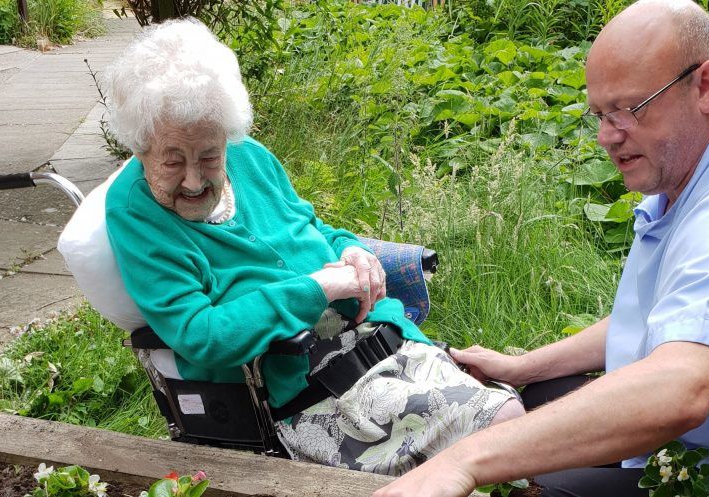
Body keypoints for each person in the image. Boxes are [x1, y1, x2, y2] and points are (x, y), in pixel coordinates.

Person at [373, 0, 709, 496]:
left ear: (706, 85)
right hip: (693, 447)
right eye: (600, 114)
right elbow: (675, 316)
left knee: (532, 482)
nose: (607, 137)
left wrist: (463, 462)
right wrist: (527, 365)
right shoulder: (696, 164)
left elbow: (682, 387)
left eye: (627, 110)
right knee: (538, 396)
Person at [102, 18, 525, 477]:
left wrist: (351, 252)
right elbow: (202, 335)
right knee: (505, 426)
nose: (193, 179)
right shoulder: (135, 213)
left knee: (521, 409)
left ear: (225, 136)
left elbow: (313, 229)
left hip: (377, 342)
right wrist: (317, 287)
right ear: (140, 148)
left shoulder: (251, 157)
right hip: (309, 394)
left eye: (208, 156)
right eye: (172, 161)